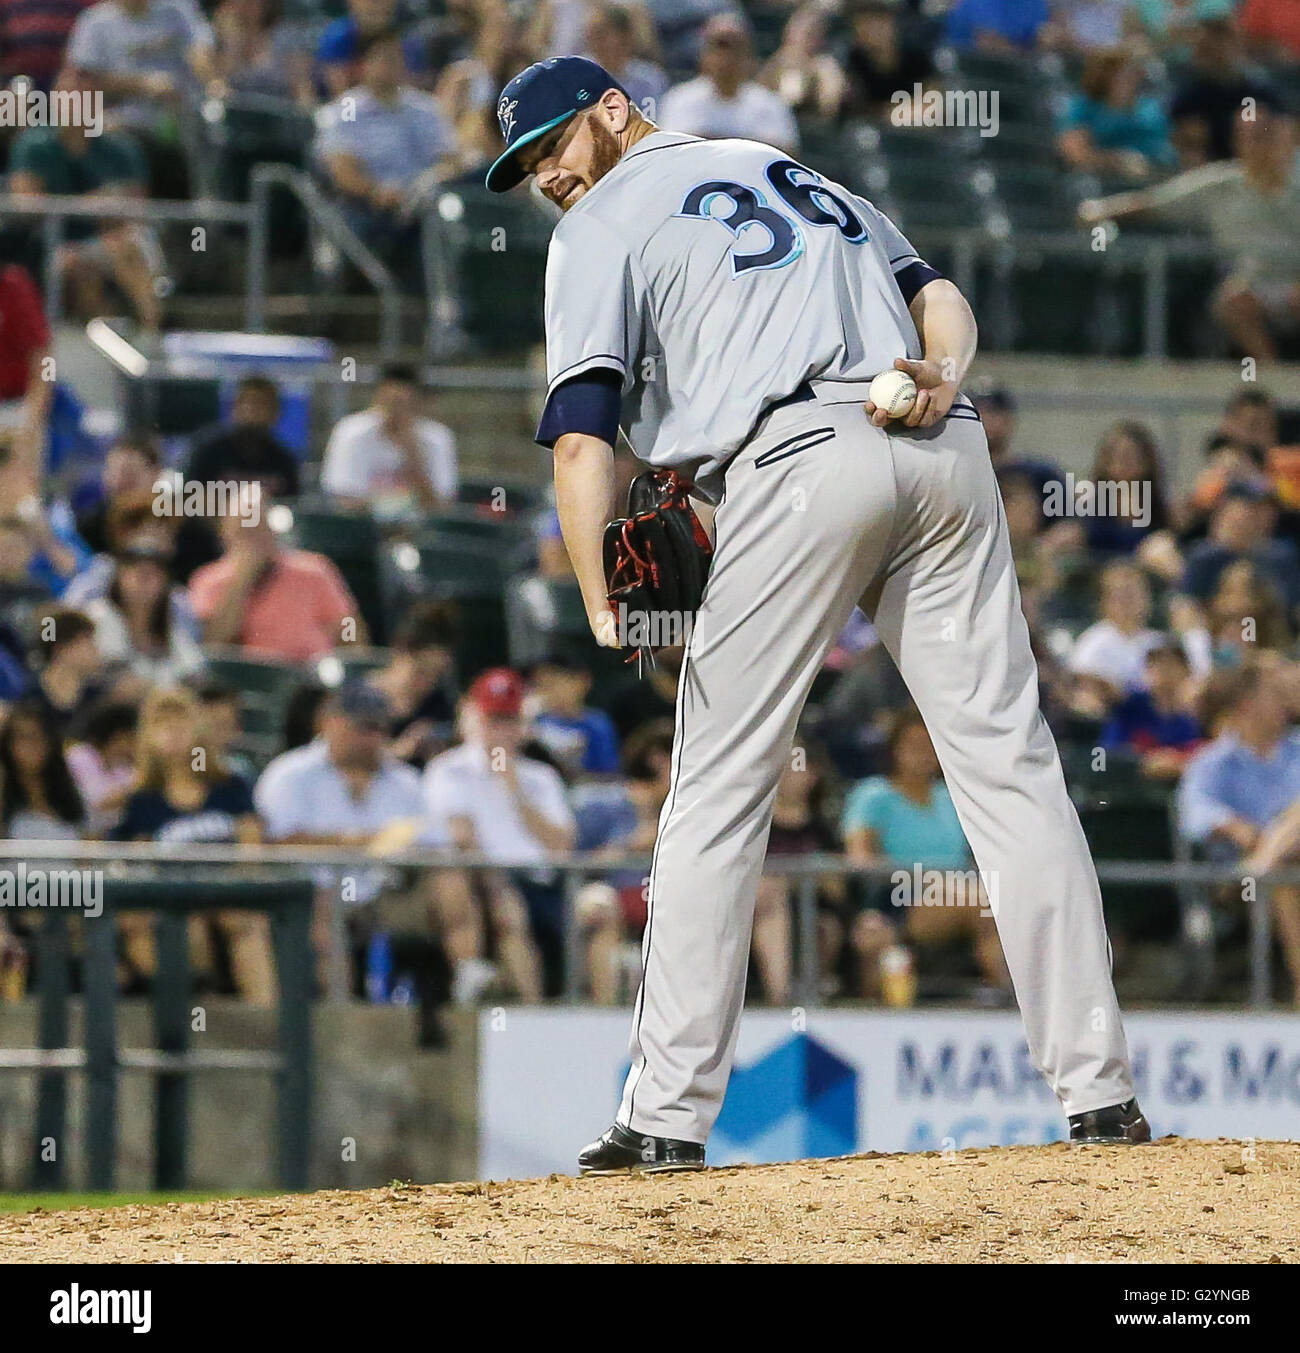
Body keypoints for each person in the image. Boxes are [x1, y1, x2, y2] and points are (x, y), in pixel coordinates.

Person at [484, 54, 1148, 1172]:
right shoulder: (783, 167)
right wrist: (940, 371)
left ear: (612, 111)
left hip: (793, 462)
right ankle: (1102, 1097)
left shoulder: (597, 226)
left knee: (715, 787)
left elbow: (584, 436)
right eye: (527, 164)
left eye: (553, 145)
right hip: (939, 447)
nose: (547, 175)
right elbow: (937, 292)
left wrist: (600, 599)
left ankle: (663, 1117)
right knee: (1011, 766)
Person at [1079, 93, 1300, 360]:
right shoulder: (1218, 184)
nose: (1258, 144)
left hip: (1295, 281)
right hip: (1251, 284)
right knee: (1233, 302)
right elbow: (1154, 202)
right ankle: (1271, 374)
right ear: (1237, 141)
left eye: (1266, 136)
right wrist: (1100, 210)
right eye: (1248, 136)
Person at [255, 682, 425, 993]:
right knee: (325, 910)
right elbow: (277, 844)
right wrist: (360, 842)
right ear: (330, 722)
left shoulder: (406, 781)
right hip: (314, 891)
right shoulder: (290, 774)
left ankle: (473, 989)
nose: (371, 738)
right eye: (362, 727)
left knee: (449, 885)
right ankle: (342, 1019)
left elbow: (432, 845)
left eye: (379, 728)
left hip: (388, 892)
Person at [422, 667, 577, 1003]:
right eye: (494, 720)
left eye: (509, 720)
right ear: (474, 718)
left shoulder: (541, 777)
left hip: (546, 882)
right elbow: (460, 836)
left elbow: (562, 845)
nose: (502, 731)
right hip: (486, 881)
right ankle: (532, 1012)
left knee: (599, 909)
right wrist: (494, 879)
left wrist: (515, 790)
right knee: (508, 911)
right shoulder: (449, 769)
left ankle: (600, 1015)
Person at [112, 686, 272, 1003]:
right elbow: (143, 865)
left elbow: (251, 849)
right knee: (187, 923)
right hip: (174, 898)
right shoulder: (142, 802)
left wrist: (234, 888)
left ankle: (269, 1021)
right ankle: (203, 1011)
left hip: (232, 892)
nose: (173, 733)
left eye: (181, 723)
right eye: (162, 725)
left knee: (246, 923)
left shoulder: (230, 787)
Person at [844, 709, 1009, 1000]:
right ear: (895, 750)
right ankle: (1005, 992)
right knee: (986, 901)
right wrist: (919, 878)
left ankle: (1007, 997)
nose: (924, 755)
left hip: (958, 891)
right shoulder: (874, 795)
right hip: (898, 895)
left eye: (930, 746)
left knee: (998, 902)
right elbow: (860, 860)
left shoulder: (951, 797)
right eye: (914, 746)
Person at [1178, 659, 1300, 1005]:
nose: (1285, 701)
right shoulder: (1211, 762)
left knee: (1285, 864)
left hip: (1274, 867)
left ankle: (1267, 861)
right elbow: (1193, 815)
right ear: (1247, 705)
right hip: (1236, 882)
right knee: (1285, 874)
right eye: (1274, 694)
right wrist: (1231, 824)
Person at [8, 66, 162, 330]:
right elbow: (26, 203)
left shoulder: (121, 147)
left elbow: (135, 209)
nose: (75, 100)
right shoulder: (33, 144)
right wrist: (91, 204)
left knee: (127, 247)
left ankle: (151, 332)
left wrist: (103, 215)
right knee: (79, 269)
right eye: (68, 93)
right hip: (51, 245)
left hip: (112, 240)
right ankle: (109, 340)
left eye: (85, 93)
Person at [315, 29, 455, 283]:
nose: (393, 64)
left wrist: (444, 175)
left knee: (454, 215)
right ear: (362, 65)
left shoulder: (426, 109)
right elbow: (342, 172)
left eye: (397, 57)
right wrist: (377, 192)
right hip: (369, 208)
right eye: (384, 57)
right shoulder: (344, 111)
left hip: (425, 203)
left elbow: (449, 161)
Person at [188, 503, 365, 661]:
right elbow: (213, 646)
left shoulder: (314, 570)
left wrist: (352, 665)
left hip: (312, 676)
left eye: (262, 528)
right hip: (251, 680)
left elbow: (347, 626)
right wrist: (242, 579)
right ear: (227, 533)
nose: (256, 539)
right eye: (247, 531)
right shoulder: (208, 580)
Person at [320, 365, 458, 516]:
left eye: (404, 404)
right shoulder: (350, 432)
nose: (396, 412)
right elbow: (343, 499)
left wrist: (414, 458)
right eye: (391, 403)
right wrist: (391, 505)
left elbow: (442, 505)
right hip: (364, 527)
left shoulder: (438, 437)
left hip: (420, 529)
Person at [657, 14, 798, 153]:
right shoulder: (680, 99)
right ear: (703, 55)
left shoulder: (770, 104)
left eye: (735, 48)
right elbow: (672, 151)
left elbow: (785, 155)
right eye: (718, 48)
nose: (726, 58)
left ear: (749, 56)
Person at [83, 535, 204, 683]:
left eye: (154, 572)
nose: (144, 579)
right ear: (119, 576)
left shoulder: (173, 632)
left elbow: (195, 674)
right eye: (136, 570)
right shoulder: (97, 617)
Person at [1057, 47, 1175, 183]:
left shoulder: (1151, 106)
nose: (1128, 76)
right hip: (1110, 184)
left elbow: (1173, 141)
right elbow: (1076, 155)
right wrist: (1119, 161)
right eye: (1118, 72)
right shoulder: (1082, 108)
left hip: (1162, 176)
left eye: (1131, 70)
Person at [366, 598, 460, 765]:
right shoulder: (363, 699)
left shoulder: (439, 706)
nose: (427, 683)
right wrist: (397, 751)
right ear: (398, 653)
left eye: (436, 675)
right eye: (420, 672)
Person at [186, 374, 300, 501]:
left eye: (261, 403)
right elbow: (191, 503)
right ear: (234, 407)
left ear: (276, 412)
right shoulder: (209, 451)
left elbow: (293, 506)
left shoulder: (284, 460)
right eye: (247, 402)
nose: (252, 410)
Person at [1100, 638, 1203, 779]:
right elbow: (1108, 754)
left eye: (1171, 665)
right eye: (1156, 665)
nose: (1164, 671)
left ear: (1186, 671)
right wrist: (1145, 760)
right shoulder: (1131, 705)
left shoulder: (1189, 719)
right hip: (1126, 785)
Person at [1068, 560, 1166, 709]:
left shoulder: (1159, 642)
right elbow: (1082, 687)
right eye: (1121, 596)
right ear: (1105, 601)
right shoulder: (1093, 642)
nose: (1129, 602)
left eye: (1135, 594)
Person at [528, 653, 621, 777]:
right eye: (541, 685)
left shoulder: (597, 724)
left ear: (581, 682)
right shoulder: (535, 723)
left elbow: (609, 773)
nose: (549, 692)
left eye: (555, 683)